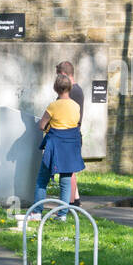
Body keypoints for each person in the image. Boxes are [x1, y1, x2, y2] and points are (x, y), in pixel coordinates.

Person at [31, 72, 84, 220]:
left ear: (55, 89)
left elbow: (41, 126)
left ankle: (37, 212)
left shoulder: (53, 106)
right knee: (65, 181)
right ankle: (62, 215)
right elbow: (75, 124)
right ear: (69, 88)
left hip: (54, 147)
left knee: (42, 179)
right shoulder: (76, 106)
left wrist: (48, 125)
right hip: (70, 148)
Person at [56, 60, 84, 207]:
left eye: (58, 76)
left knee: (69, 172)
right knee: (70, 170)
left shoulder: (72, 91)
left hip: (69, 137)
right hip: (72, 137)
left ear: (64, 74)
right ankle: (76, 200)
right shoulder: (76, 90)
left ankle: (69, 204)